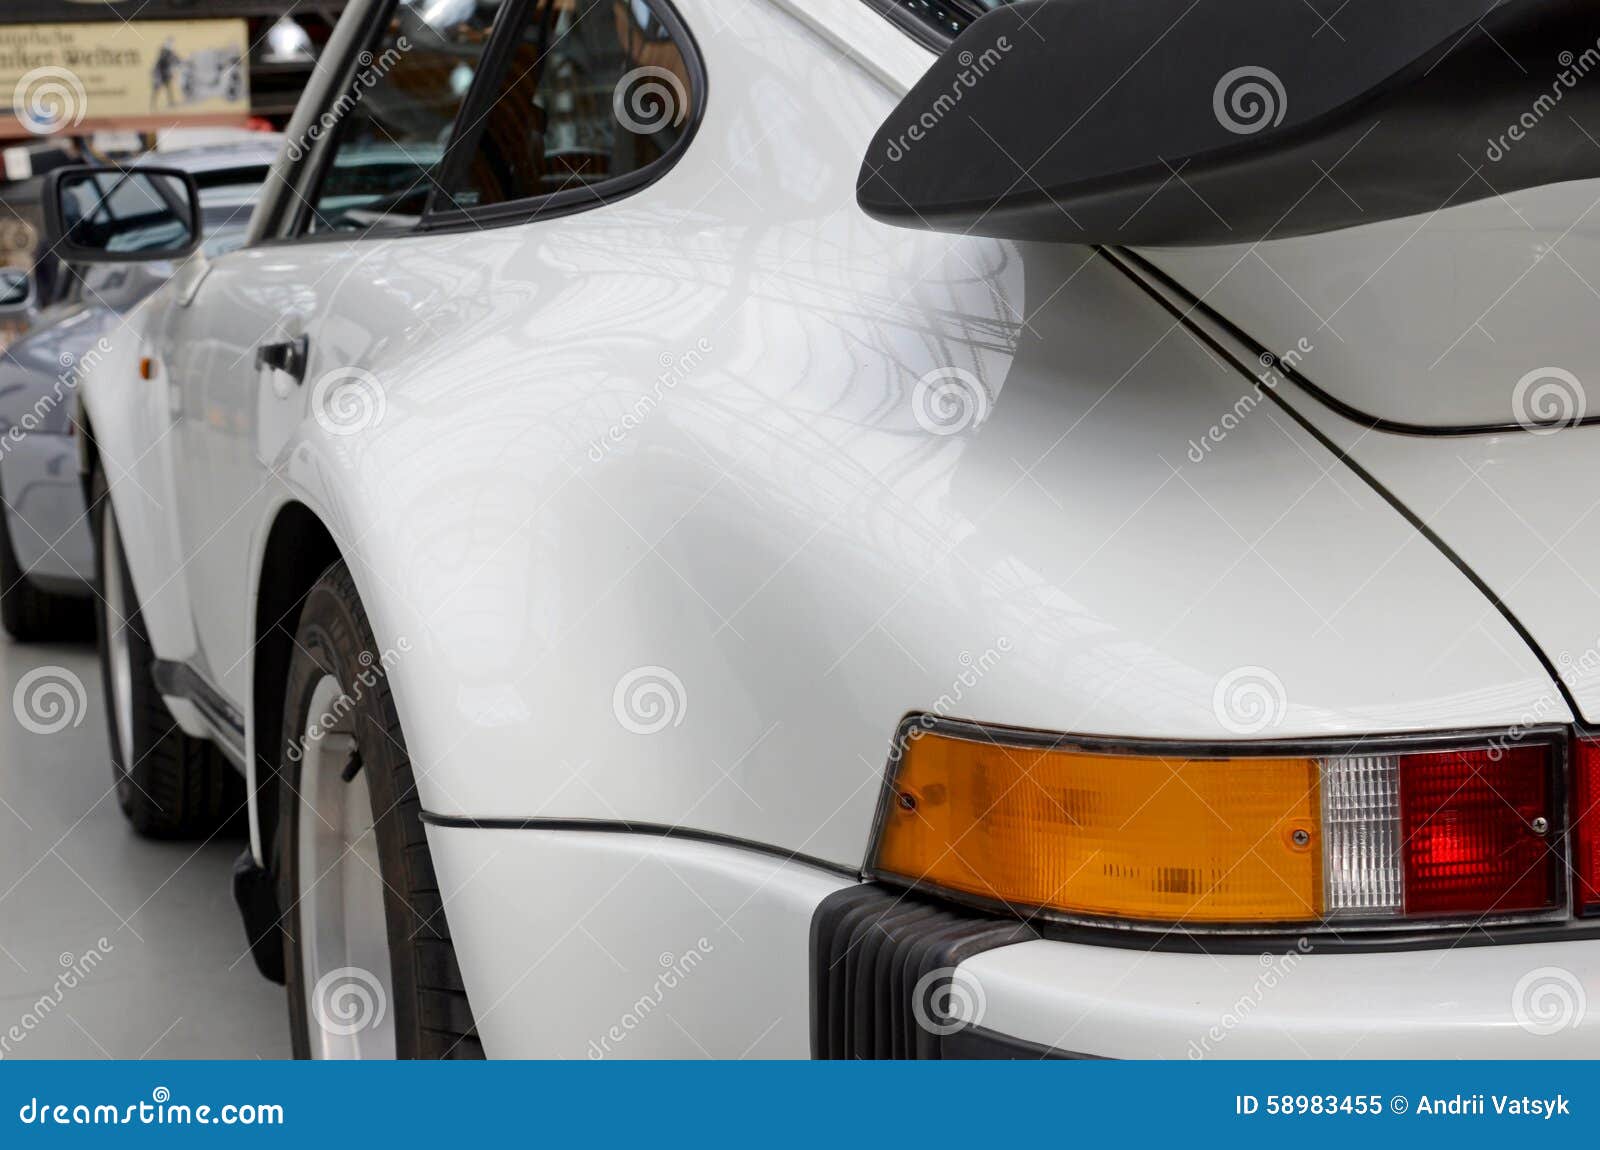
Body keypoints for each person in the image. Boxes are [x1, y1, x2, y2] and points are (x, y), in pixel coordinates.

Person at [150, 39, 181, 110]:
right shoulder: (164, 53)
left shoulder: (169, 53)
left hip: (165, 74)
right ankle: (153, 104)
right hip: (159, 74)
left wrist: (179, 62)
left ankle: (171, 102)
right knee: (157, 89)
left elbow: (176, 59)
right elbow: (159, 65)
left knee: (168, 88)